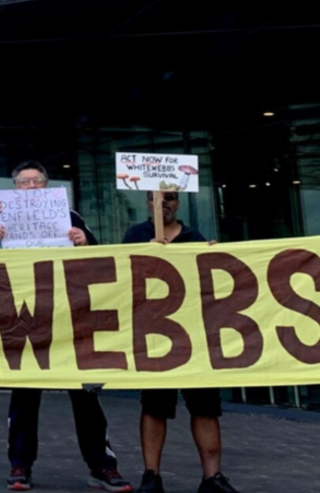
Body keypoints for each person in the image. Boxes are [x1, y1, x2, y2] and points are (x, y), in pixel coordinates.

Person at [0, 161, 130, 493]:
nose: (31, 186)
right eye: (24, 182)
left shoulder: (69, 216)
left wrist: (84, 241)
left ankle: (102, 465)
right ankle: (20, 464)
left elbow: (100, 261)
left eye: (37, 181)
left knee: (85, 396)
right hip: (24, 316)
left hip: (70, 319)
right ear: (15, 188)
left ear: (47, 185)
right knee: (25, 394)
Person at [123, 192, 239, 493]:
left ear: (178, 203)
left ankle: (212, 478)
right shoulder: (134, 236)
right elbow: (120, 279)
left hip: (195, 339)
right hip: (154, 337)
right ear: (147, 202)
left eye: (170, 197)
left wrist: (213, 256)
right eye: (155, 197)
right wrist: (143, 255)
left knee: (205, 407)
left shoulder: (195, 238)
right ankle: (151, 476)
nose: (163, 202)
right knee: (153, 407)